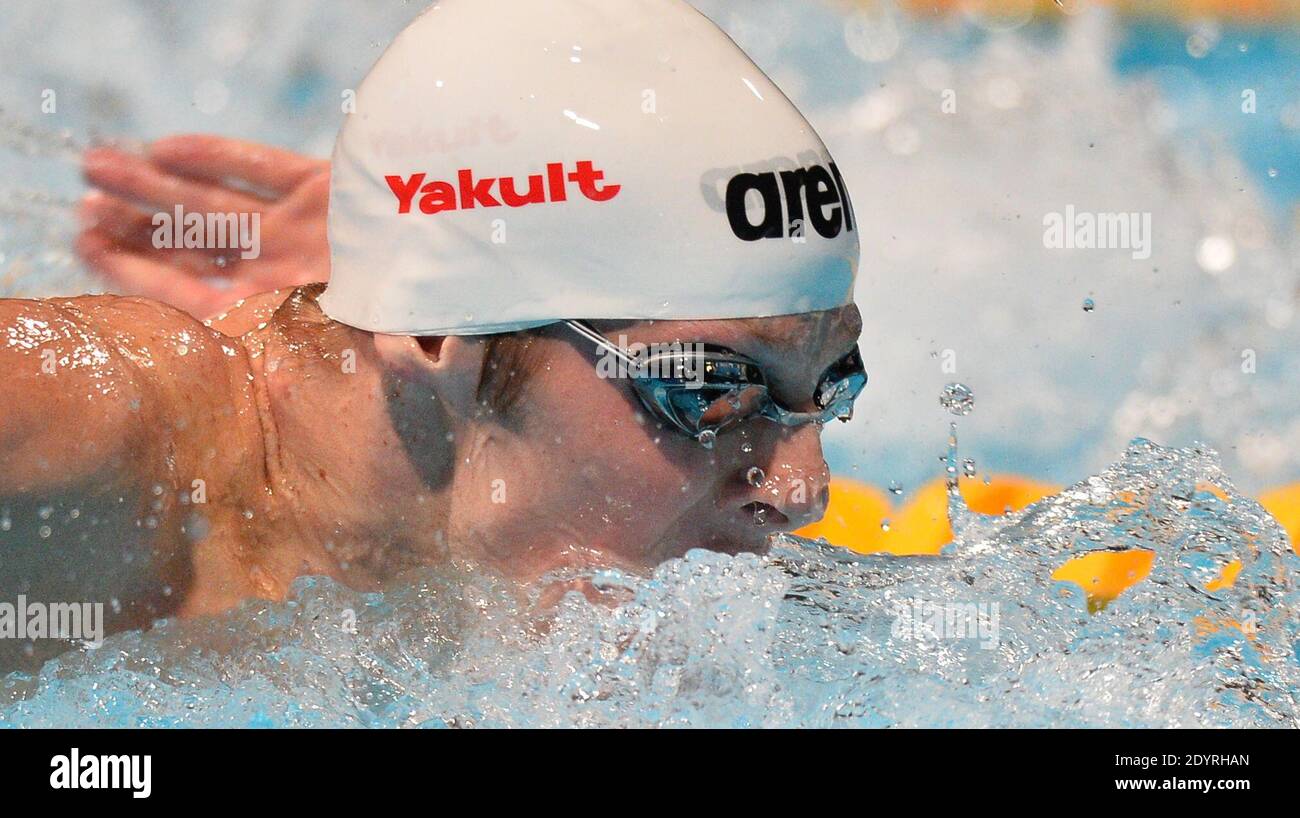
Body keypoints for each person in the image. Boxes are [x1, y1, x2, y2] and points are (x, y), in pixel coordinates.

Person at [0, 0, 864, 662]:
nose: (801, 489)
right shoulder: (91, 433)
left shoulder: (519, 561)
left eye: (830, 386)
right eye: (708, 389)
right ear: (432, 338)